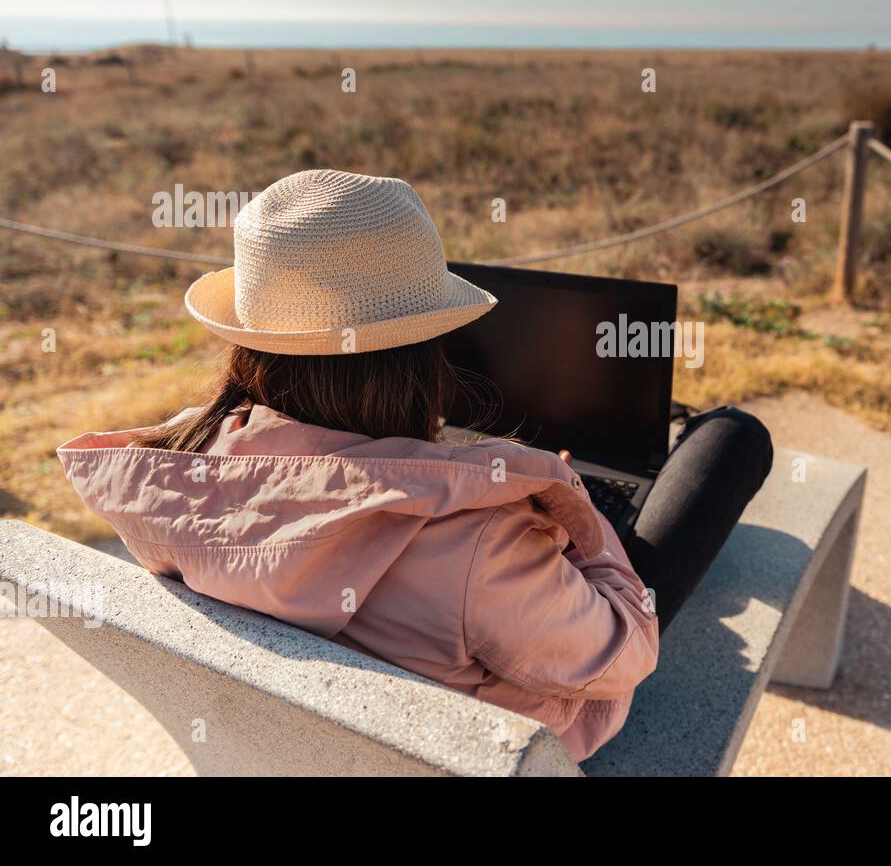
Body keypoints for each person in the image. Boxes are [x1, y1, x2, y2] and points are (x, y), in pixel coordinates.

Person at [58, 169, 772, 762]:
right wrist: (570, 508)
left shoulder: (176, 472)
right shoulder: (484, 541)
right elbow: (628, 650)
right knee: (733, 438)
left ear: (251, 341)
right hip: (508, 741)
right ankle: (698, 433)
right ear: (421, 356)